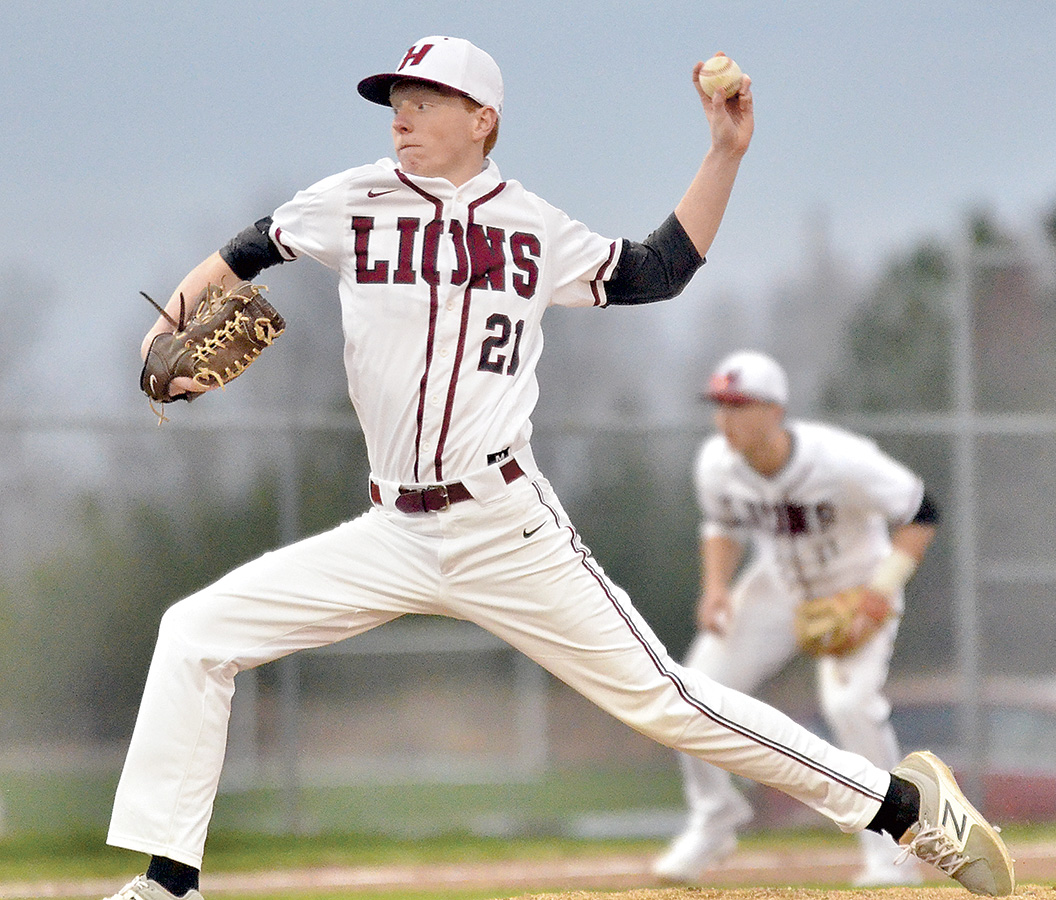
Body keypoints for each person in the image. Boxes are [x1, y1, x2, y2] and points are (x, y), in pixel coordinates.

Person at [103, 36, 1013, 900]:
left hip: (505, 526)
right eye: (396, 102)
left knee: (672, 704)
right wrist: (162, 336)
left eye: (425, 101)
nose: (401, 116)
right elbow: (246, 253)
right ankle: (166, 880)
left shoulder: (530, 227)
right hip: (390, 529)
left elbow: (658, 268)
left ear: (482, 119)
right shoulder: (353, 200)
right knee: (196, 634)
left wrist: (725, 152)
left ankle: (905, 809)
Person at [653, 350, 941, 887]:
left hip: (856, 587)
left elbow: (922, 510)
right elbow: (720, 524)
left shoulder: (839, 460)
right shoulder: (716, 463)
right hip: (779, 588)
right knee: (687, 692)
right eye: (719, 405)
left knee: (851, 705)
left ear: (773, 409)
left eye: (738, 405)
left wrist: (878, 596)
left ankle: (893, 850)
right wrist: (716, 588)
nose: (725, 419)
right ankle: (714, 817)